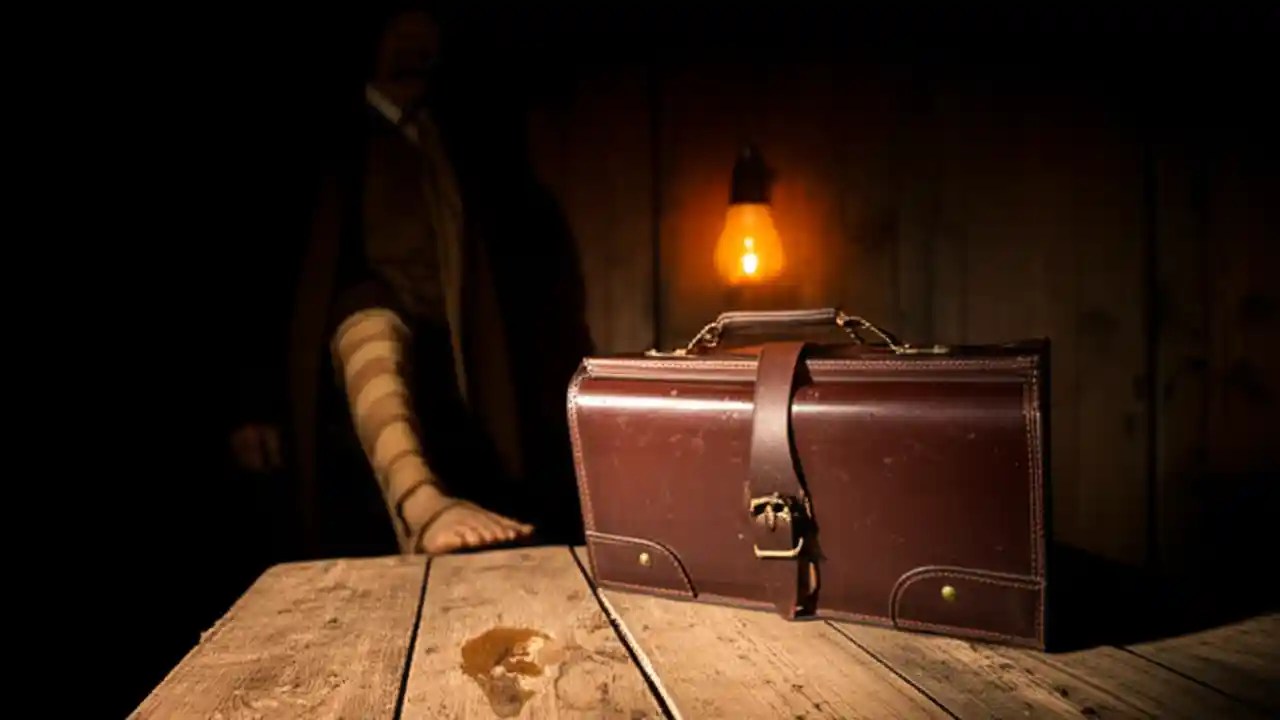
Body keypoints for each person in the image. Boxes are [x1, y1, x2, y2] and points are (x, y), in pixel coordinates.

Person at [228, 4, 592, 557]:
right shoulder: (322, 142)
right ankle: (418, 502)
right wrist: (254, 400)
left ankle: (436, 516)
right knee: (367, 315)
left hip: (447, 359)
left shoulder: (459, 147)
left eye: (426, 41)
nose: (415, 51)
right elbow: (264, 264)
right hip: (348, 362)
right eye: (402, 37)